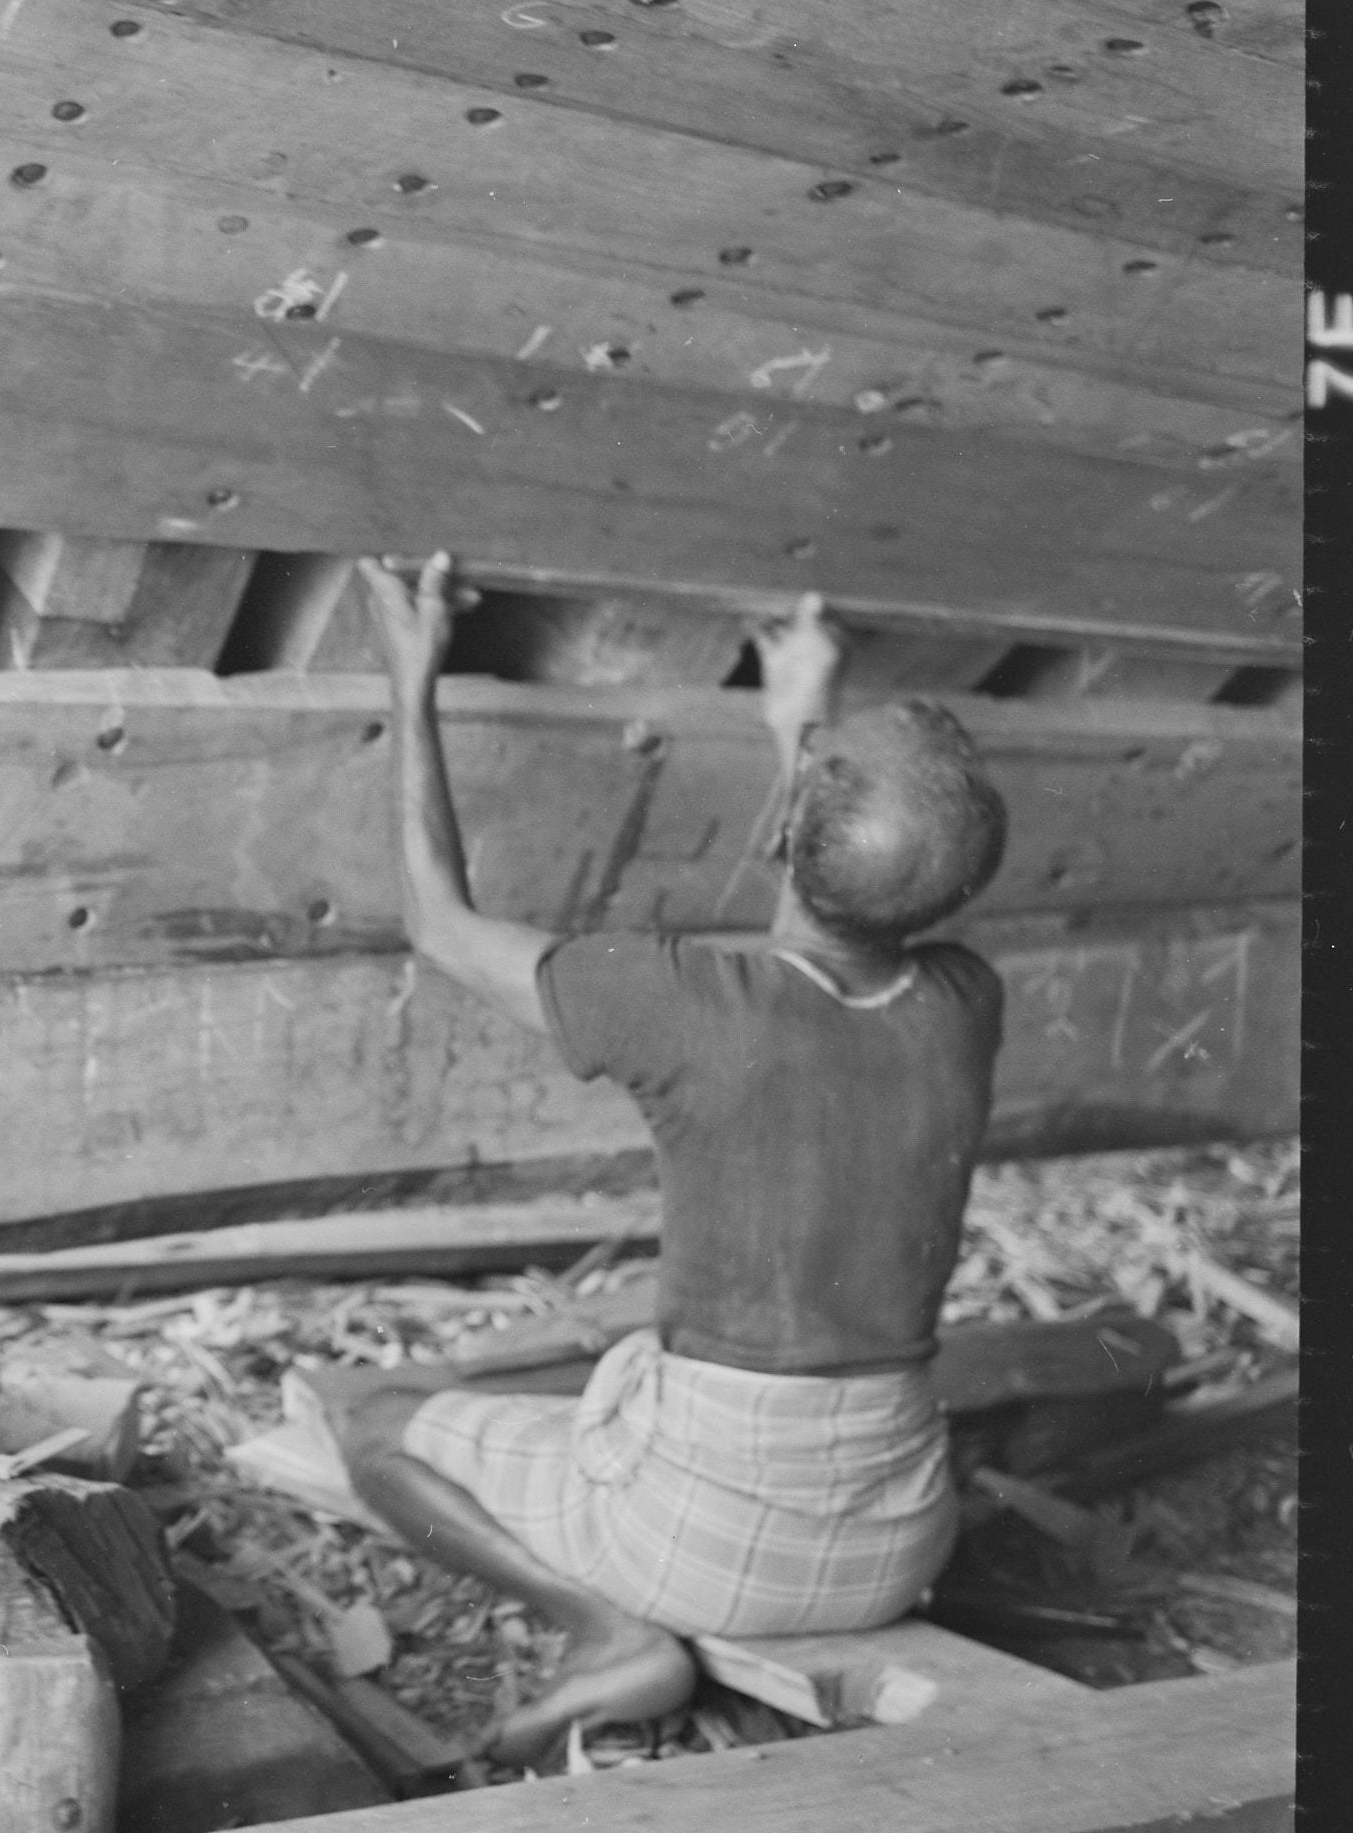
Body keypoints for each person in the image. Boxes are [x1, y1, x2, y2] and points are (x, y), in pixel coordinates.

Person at [311, 558, 1011, 1765]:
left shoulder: (679, 1002)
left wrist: (411, 672)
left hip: (702, 1548)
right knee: (560, 1385)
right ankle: (620, 1601)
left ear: (790, 827)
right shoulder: (962, 999)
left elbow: (439, 922)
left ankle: (606, 1630)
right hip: (897, 1545)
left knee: (374, 1422)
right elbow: (848, 882)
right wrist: (800, 713)